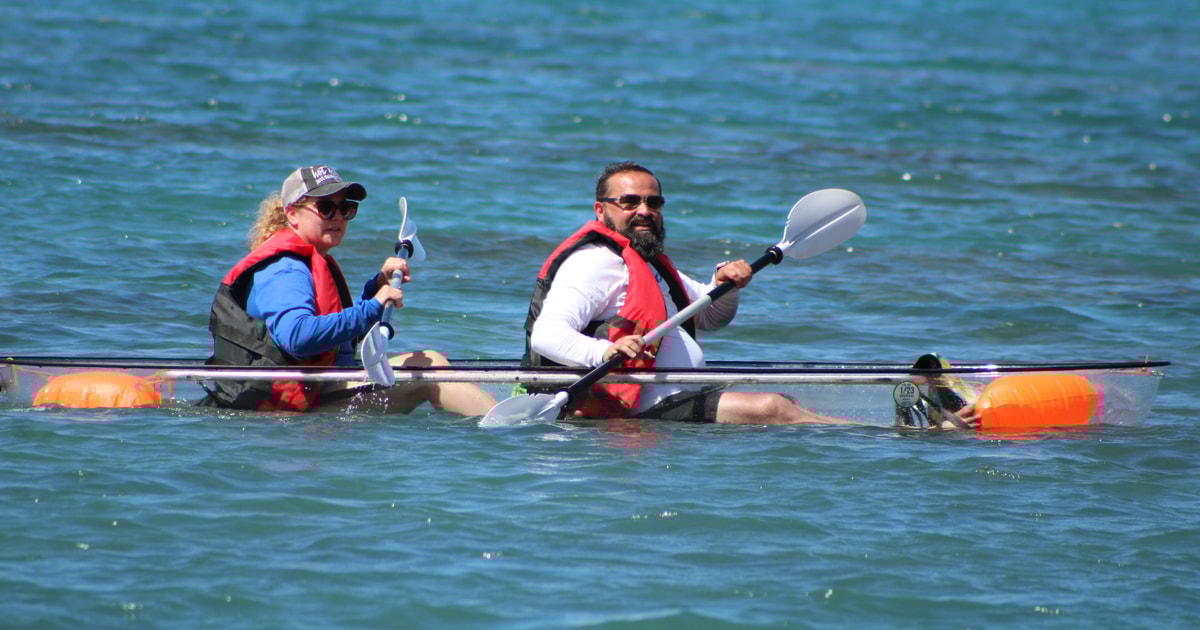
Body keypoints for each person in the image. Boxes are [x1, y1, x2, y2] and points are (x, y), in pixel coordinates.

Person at [524, 161, 980, 427]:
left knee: (786, 406)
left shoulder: (645, 263)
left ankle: (901, 420)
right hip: (628, 404)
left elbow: (709, 316)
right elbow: (547, 336)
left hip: (670, 395)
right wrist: (606, 348)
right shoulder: (594, 263)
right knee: (773, 408)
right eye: (630, 202)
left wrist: (727, 284)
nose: (644, 211)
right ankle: (892, 435)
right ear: (601, 211)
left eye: (654, 202)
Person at [204, 165, 495, 415]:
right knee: (429, 367)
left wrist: (375, 289)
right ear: (292, 214)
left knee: (427, 361)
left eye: (346, 208)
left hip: (313, 388)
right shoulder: (286, 269)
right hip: (291, 403)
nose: (339, 217)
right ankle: (509, 426)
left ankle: (500, 417)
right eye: (326, 208)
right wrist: (371, 307)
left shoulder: (305, 260)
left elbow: (336, 340)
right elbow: (297, 337)